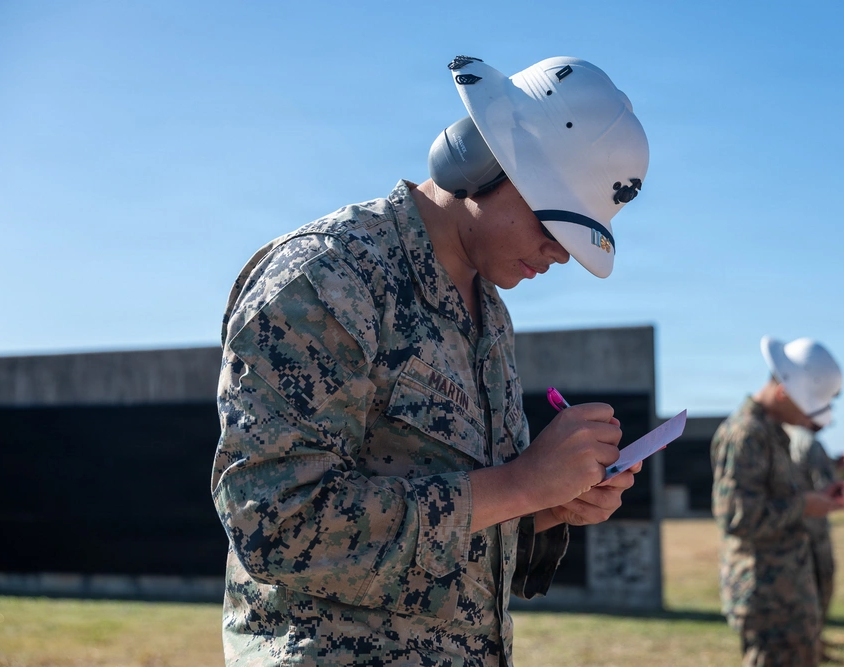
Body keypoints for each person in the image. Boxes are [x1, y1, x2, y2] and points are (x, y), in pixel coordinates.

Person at [210, 55, 650, 667]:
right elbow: (276, 524)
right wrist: (520, 483)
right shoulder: (329, 277)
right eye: (553, 223)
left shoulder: (490, 316)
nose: (560, 254)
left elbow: (465, 519)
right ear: (483, 162)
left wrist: (546, 504)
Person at [711, 336, 844, 667]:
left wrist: (814, 498)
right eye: (805, 409)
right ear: (783, 393)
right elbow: (737, 518)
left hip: (785, 595)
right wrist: (805, 506)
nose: (805, 421)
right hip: (768, 601)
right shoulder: (746, 435)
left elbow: (777, 498)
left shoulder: (771, 434)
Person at [785, 423, 841, 631]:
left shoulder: (777, 437)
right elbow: (828, 488)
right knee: (819, 589)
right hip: (813, 532)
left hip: (785, 531)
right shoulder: (809, 443)